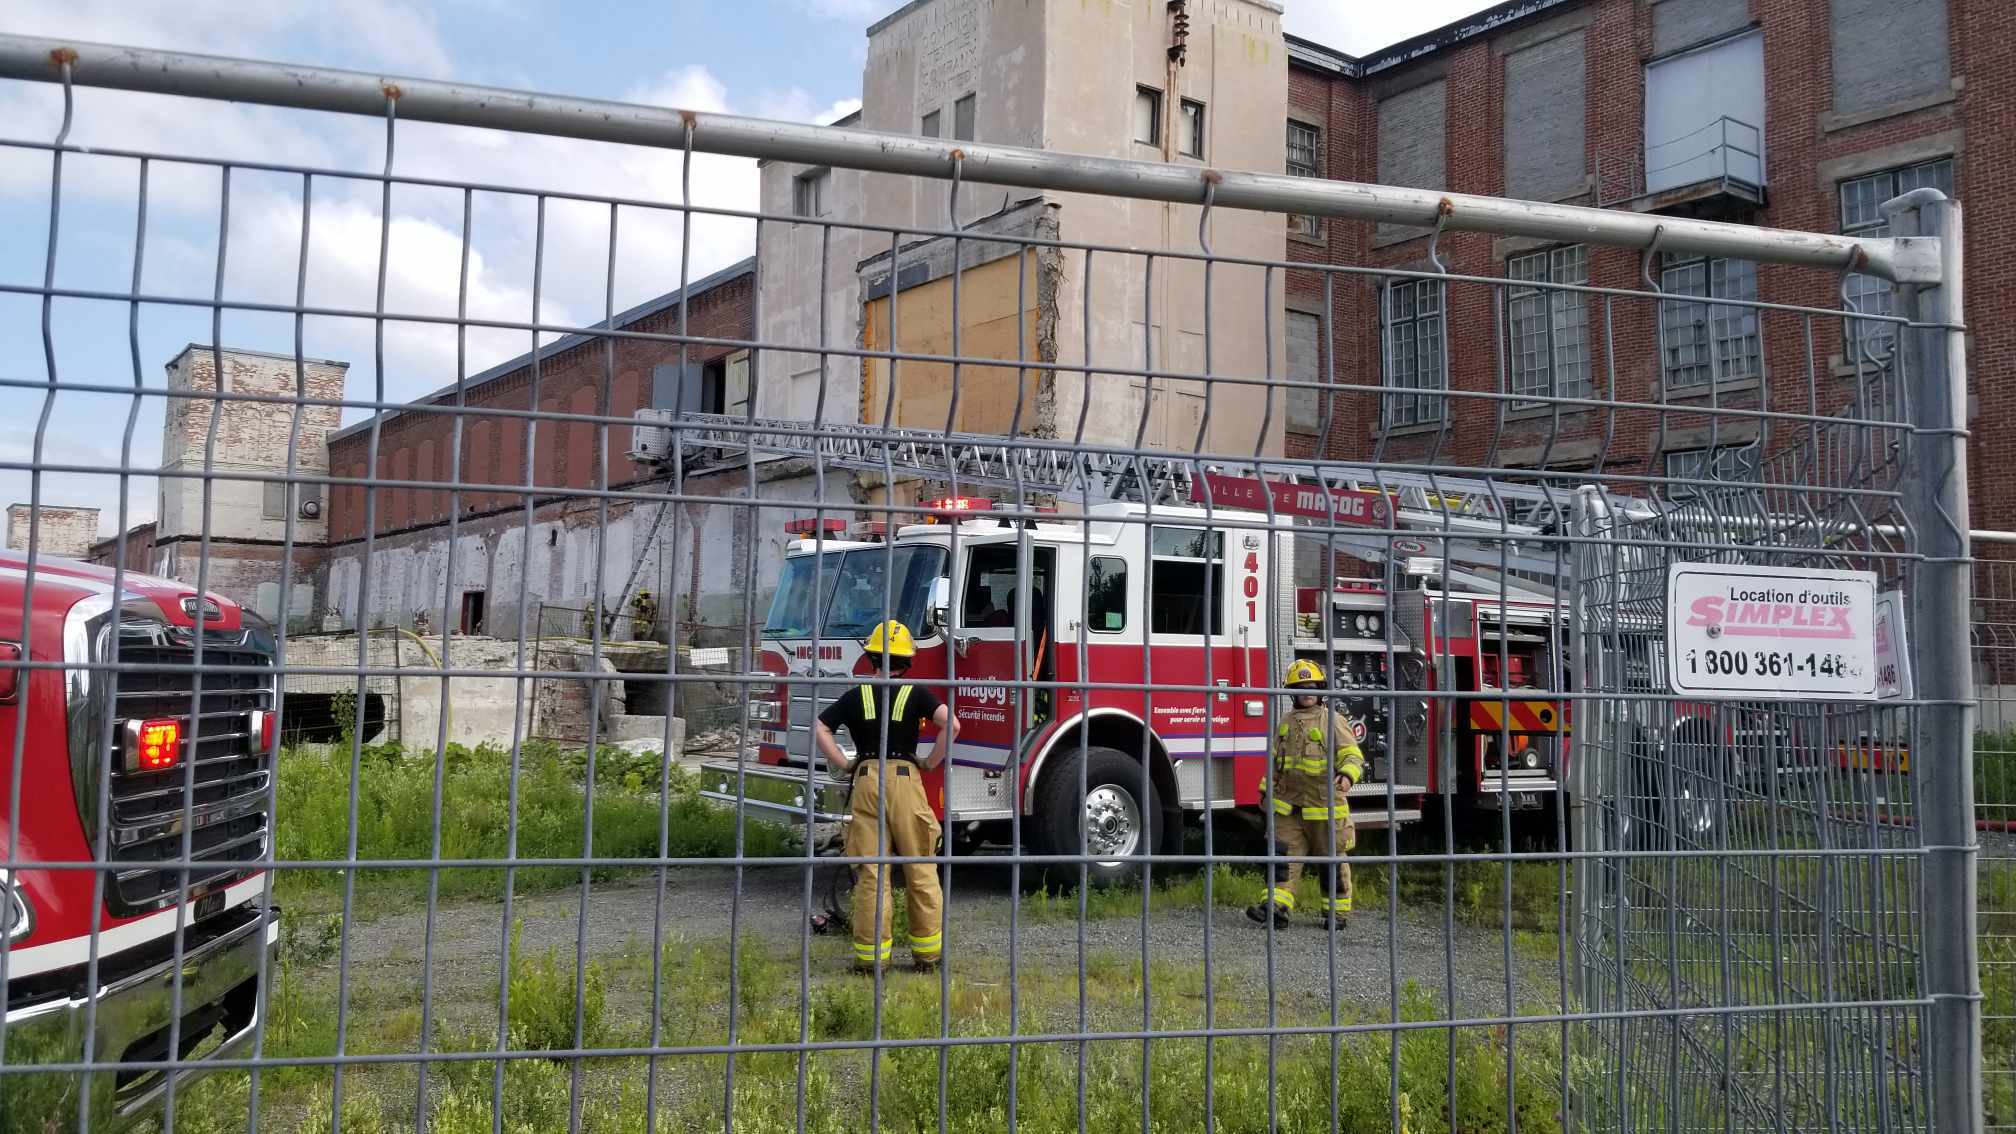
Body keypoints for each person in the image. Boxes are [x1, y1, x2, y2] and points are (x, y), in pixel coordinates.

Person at [813, 620, 958, 972]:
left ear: (871, 658)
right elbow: (951, 725)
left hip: (866, 780)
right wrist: (929, 761)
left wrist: (846, 763)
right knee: (920, 868)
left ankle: (871, 962)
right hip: (906, 781)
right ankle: (928, 958)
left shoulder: (856, 695)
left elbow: (820, 727)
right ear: (907, 661)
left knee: (872, 873)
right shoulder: (916, 694)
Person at [1247, 659, 1366, 931]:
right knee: (1281, 859)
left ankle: (1337, 914)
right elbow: (1275, 762)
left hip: (1325, 807)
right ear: (1293, 692)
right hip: (1289, 808)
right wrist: (1266, 791)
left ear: (1321, 690)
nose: (1308, 692)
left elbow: (1352, 755)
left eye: (1312, 687)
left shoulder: (1332, 720)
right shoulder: (1286, 722)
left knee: (1331, 863)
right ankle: (1276, 909)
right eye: (1301, 687)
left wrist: (1347, 775)